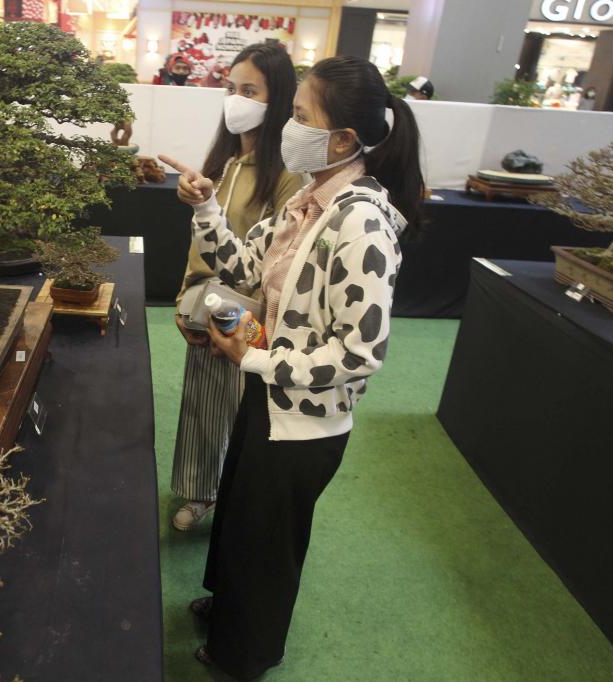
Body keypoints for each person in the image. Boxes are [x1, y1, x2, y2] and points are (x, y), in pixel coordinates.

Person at [160, 54, 423, 680]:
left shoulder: (360, 223)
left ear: (344, 140)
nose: (289, 127)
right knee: (243, 520)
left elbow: (362, 353)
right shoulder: (310, 201)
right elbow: (248, 268)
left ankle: (244, 652)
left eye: (301, 116)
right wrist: (206, 209)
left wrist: (256, 356)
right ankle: (227, 609)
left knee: (267, 539)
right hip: (269, 396)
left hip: (305, 420)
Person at [171, 42, 303, 532]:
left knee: (244, 414)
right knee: (202, 404)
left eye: (249, 90)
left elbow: (272, 261)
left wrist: (236, 317)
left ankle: (232, 501)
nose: (235, 100)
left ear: (280, 99)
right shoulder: (225, 162)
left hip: (248, 317)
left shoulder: (289, 176)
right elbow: (200, 242)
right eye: (231, 88)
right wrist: (185, 301)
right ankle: (199, 493)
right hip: (204, 305)